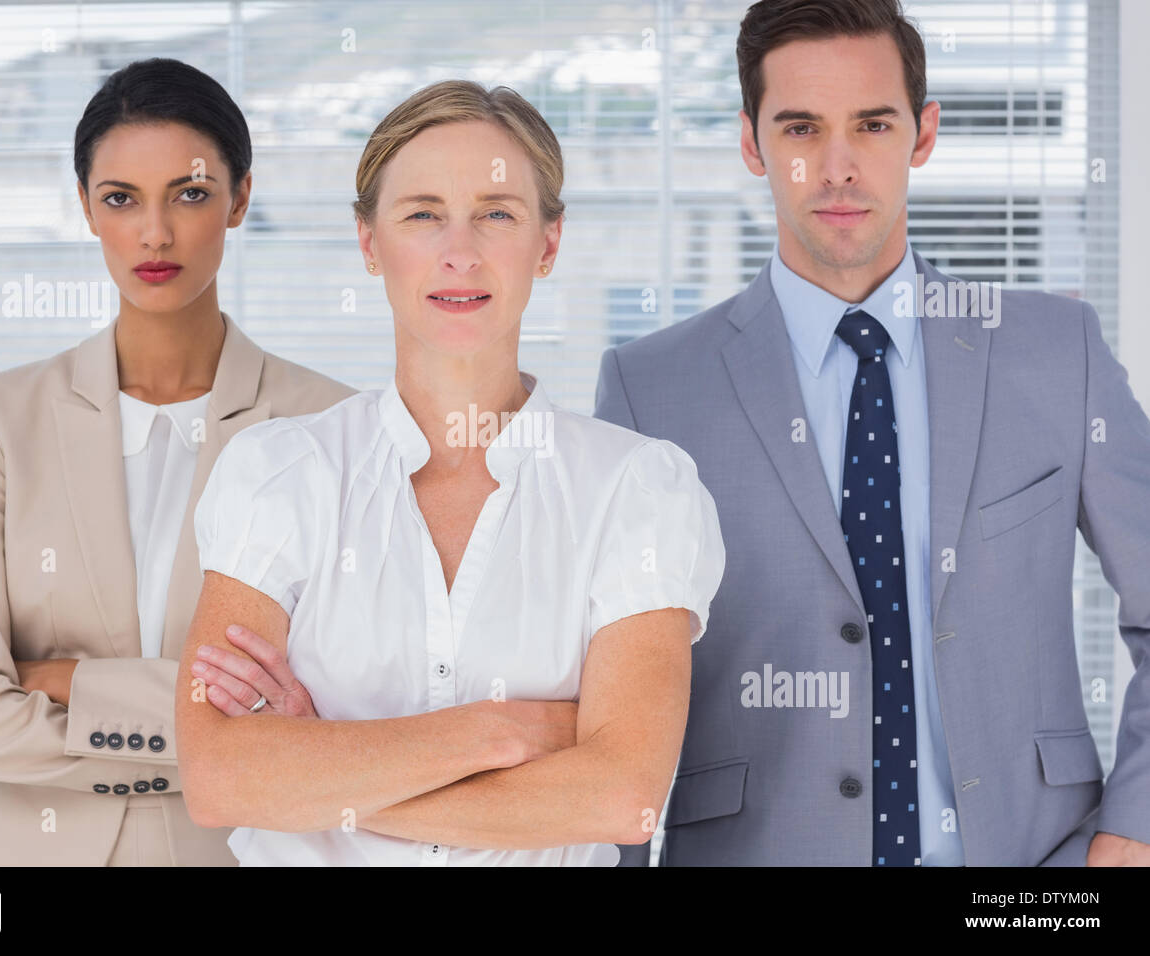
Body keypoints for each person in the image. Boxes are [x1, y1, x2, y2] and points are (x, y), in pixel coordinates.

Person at [595, 0, 1150, 867]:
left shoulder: (1055, 352)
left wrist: (1136, 830)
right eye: (802, 126)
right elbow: (611, 694)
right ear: (752, 143)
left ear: (923, 133)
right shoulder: (651, 389)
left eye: (873, 124)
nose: (838, 166)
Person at [173, 79, 725, 866]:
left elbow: (621, 797)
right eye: (422, 214)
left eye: (497, 213)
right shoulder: (282, 474)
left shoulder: (636, 491)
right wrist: (503, 733)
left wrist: (325, 776)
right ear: (369, 243)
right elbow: (221, 777)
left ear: (549, 242)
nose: (459, 251)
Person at [0, 57, 354, 866]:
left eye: (189, 193)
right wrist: (218, 741)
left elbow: (330, 717)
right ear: (88, 209)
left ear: (240, 198)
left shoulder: (329, 424)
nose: (154, 234)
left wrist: (63, 681)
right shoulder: (0, 418)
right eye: (121, 199)